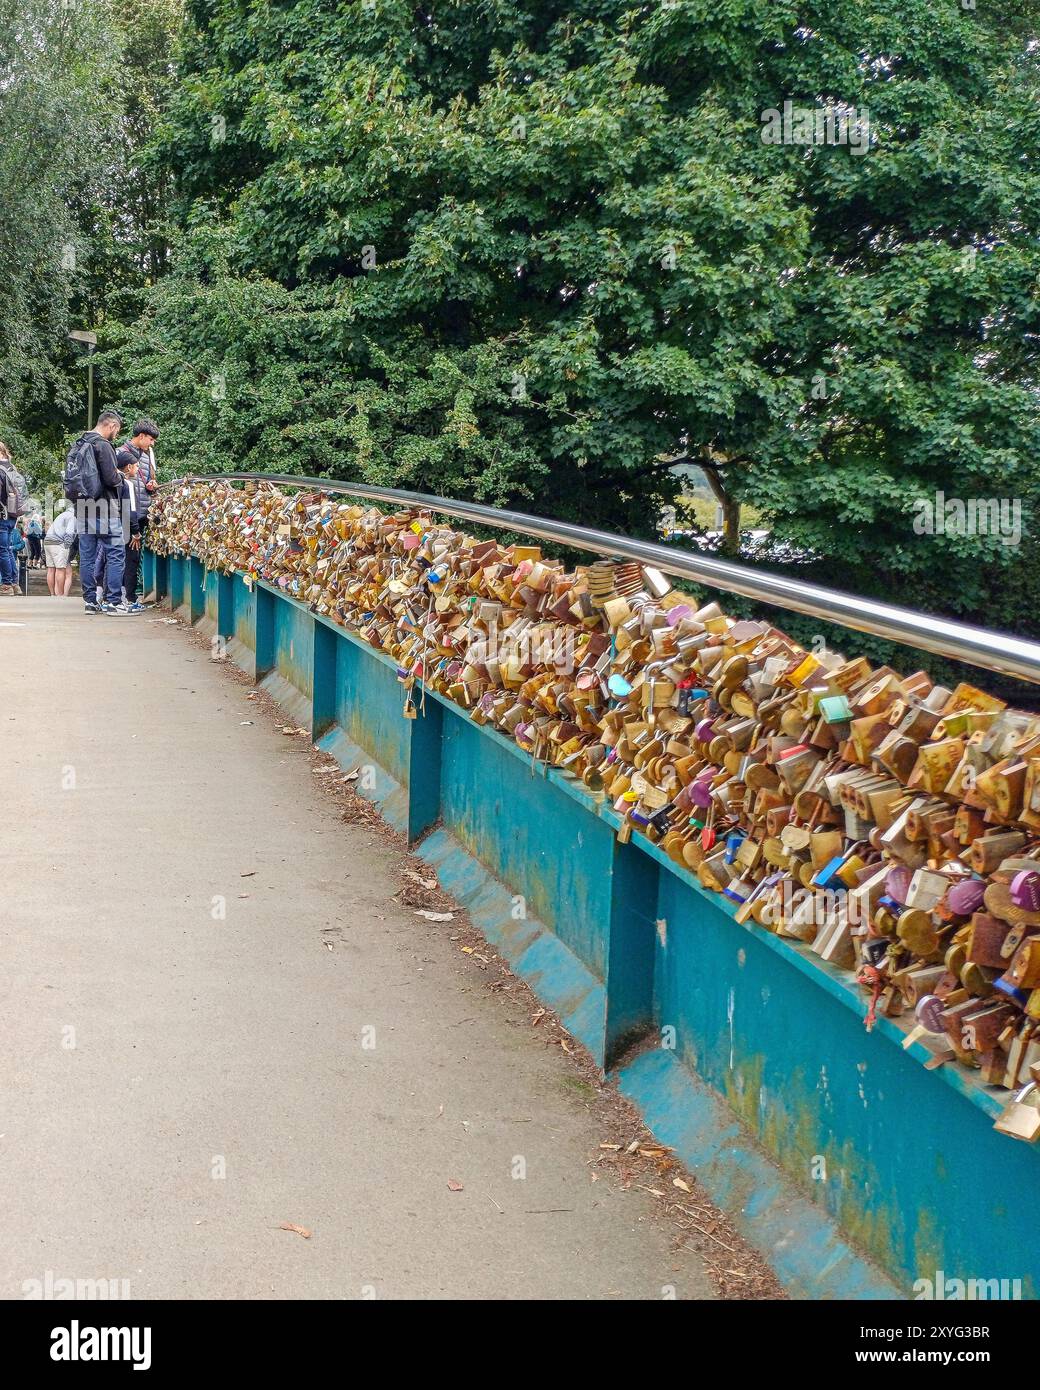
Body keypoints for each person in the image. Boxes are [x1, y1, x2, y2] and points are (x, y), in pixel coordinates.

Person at [69, 409, 131, 614]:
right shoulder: (103, 445)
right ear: (111, 425)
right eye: (117, 430)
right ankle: (113, 601)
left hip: (82, 508)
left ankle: (90, 602)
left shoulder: (79, 443)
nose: (116, 434)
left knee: (87, 557)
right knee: (115, 553)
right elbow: (111, 478)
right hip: (104, 508)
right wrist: (121, 476)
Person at [116, 419, 159, 603]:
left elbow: (150, 480)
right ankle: (120, 598)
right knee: (119, 556)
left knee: (133, 558)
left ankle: (129, 597)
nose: (152, 443)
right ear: (141, 436)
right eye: (150, 439)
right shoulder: (119, 454)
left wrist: (152, 486)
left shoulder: (148, 455)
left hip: (141, 514)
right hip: (124, 515)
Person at [0, 441, 25, 595]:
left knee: (2, 550)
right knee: (7, 550)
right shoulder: (11, 468)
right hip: (12, 515)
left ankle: (6, 585)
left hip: (1, 514)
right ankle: (15, 583)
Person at [44, 503, 78, 596]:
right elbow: (69, 533)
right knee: (60, 569)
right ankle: (60, 595)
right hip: (58, 543)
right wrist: (66, 547)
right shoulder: (73, 517)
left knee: (51, 569)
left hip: (48, 541)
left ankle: (52, 594)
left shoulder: (62, 515)